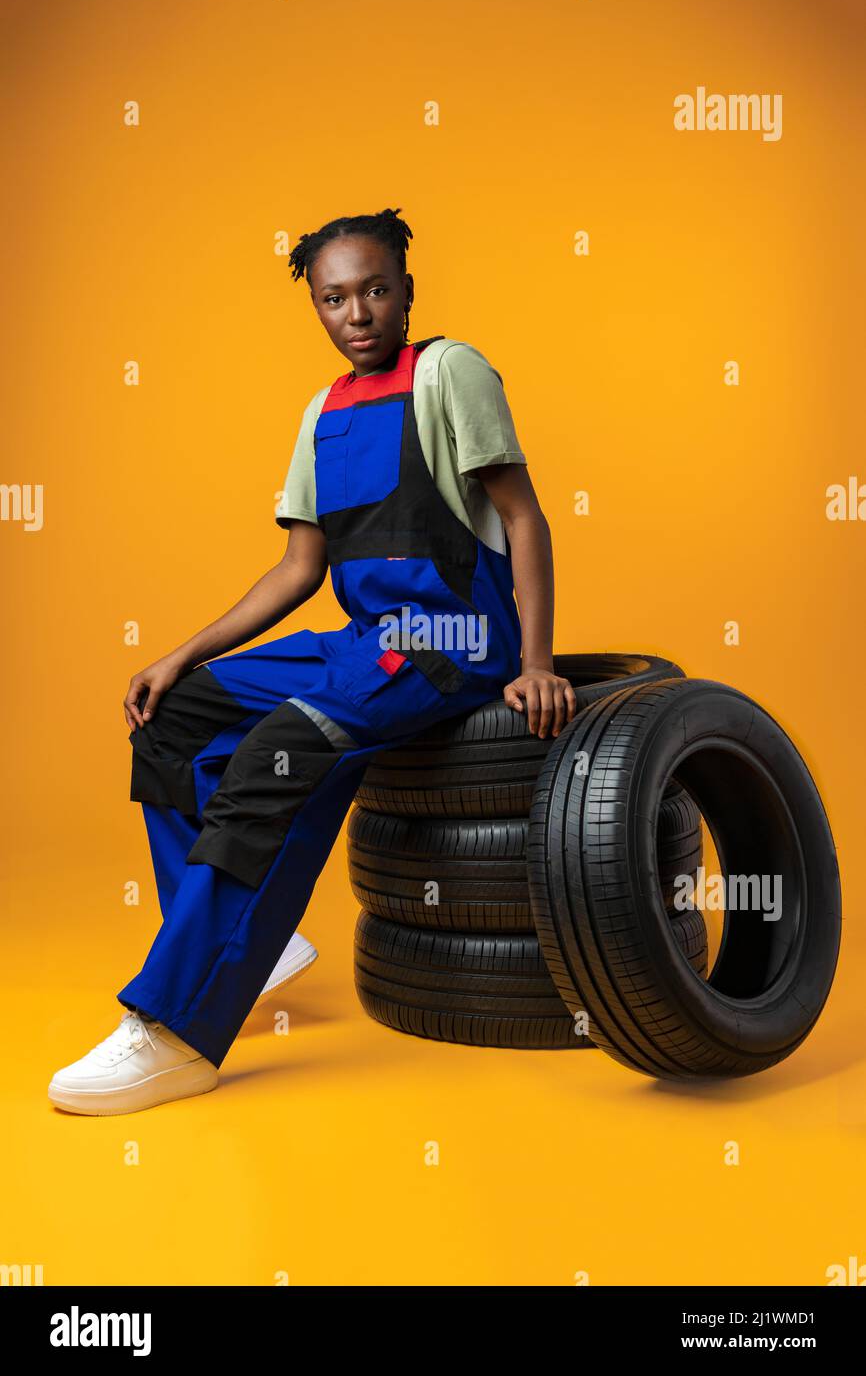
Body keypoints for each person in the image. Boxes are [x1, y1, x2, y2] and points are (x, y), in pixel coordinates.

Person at [48, 206, 578, 1116]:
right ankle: (248, 950)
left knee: (280, 752)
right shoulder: (322, 413)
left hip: (450, 643)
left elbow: (523, 515)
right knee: (173, 721)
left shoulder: (451, 371)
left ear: (407, 292)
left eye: (375, 291)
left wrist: (536, 661)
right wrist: (181, 653)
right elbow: (299, 569)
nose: (357, 314)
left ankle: (177, 1031)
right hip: (368, 645)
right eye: (335, 299)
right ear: (317, 308)